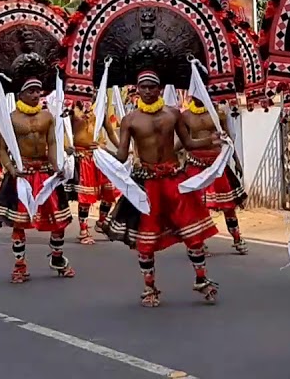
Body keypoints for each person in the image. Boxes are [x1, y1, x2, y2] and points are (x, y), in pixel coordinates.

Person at [102, 20, 220, 307]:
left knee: (192, 232)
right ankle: (150, 288)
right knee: (147, 239)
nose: (147, 91)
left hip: (174, 179)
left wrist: (214, 140)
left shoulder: (173, 114)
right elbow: (121, 155)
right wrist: (100, 151)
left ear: (160, 87)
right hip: (146, 184)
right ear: (136, 88)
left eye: (152, 86)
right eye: (142, 86)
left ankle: (202, 279)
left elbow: (189, 144)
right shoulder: (130, 120)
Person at [0, 54, 76, 282]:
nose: (36, 95)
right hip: (22, 174)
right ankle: (20, 265)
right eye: (31, 91)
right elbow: (3, 150)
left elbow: (53, 142)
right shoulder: (11, 119)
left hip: (45, 174)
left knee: (58, 219)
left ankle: (57, 257)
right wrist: (10, 168)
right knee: (20, 222)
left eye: (38, 91)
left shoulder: (47, 116)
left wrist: (57, 166)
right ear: (21, 94)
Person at [182, 95, 248, 255]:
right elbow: (184, 141)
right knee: (196, 206)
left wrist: (236, 160)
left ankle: (237, 238)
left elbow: (228, 138)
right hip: (195, 164)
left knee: (228, 205)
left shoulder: (218, 113)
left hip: (217, 164)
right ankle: (198, 242)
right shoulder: (185, 116)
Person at [68, 104, 118, 244]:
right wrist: (67, 148)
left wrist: (124, 149)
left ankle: (101, 222)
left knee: (110, 191)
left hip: (100, 156)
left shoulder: (100, 108)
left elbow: (110, 132)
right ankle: (83, 230)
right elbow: (62, 129)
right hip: (83, 157)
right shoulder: (72, 109)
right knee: (86, 196)